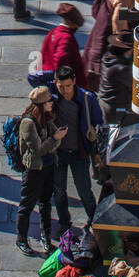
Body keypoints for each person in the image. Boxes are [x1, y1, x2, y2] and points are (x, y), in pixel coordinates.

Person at [47, 64, 103, 232]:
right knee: (59, 192)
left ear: (74, 82)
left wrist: (97, 153)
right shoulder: (53, 97)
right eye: (60, 86)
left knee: (84, 191)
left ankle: (95, 220)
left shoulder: (87, 98)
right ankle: (64, 223)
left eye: (68, 86)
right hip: (58, 153)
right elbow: (33, 78)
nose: (64, 90)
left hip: (80, 152)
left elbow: (99, 126)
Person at [15, 85, 64, 254]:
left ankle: (46, 238)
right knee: (27, 204)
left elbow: (52, 145)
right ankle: (21, 239)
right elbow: (39, 150)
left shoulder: (47, 118)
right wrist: (55, 138)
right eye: (50, 101)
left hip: (48, 166)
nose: (52, 103)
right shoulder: (28, 123)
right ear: (42, 104)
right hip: (34, 169)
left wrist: (55, 138)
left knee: (45, 203)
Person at [40, 1, 86, 87]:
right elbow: (61, 60)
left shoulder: (54, 32)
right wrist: (65, 83)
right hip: (65, 85)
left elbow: (44, 52)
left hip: (49, 75)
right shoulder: (66, 39)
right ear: (73, 24)